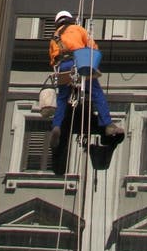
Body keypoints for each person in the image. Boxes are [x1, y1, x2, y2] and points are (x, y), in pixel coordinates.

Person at [48, 10, 122, 148]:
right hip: (79, 62)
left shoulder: (55, 35)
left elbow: (52, 59)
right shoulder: (78, 29)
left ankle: (56, 126)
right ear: (70, 19)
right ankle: (107, 124)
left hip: (63, 67)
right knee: (96, 93)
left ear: (57, 22)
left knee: (62, 98)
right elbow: (93, 47)